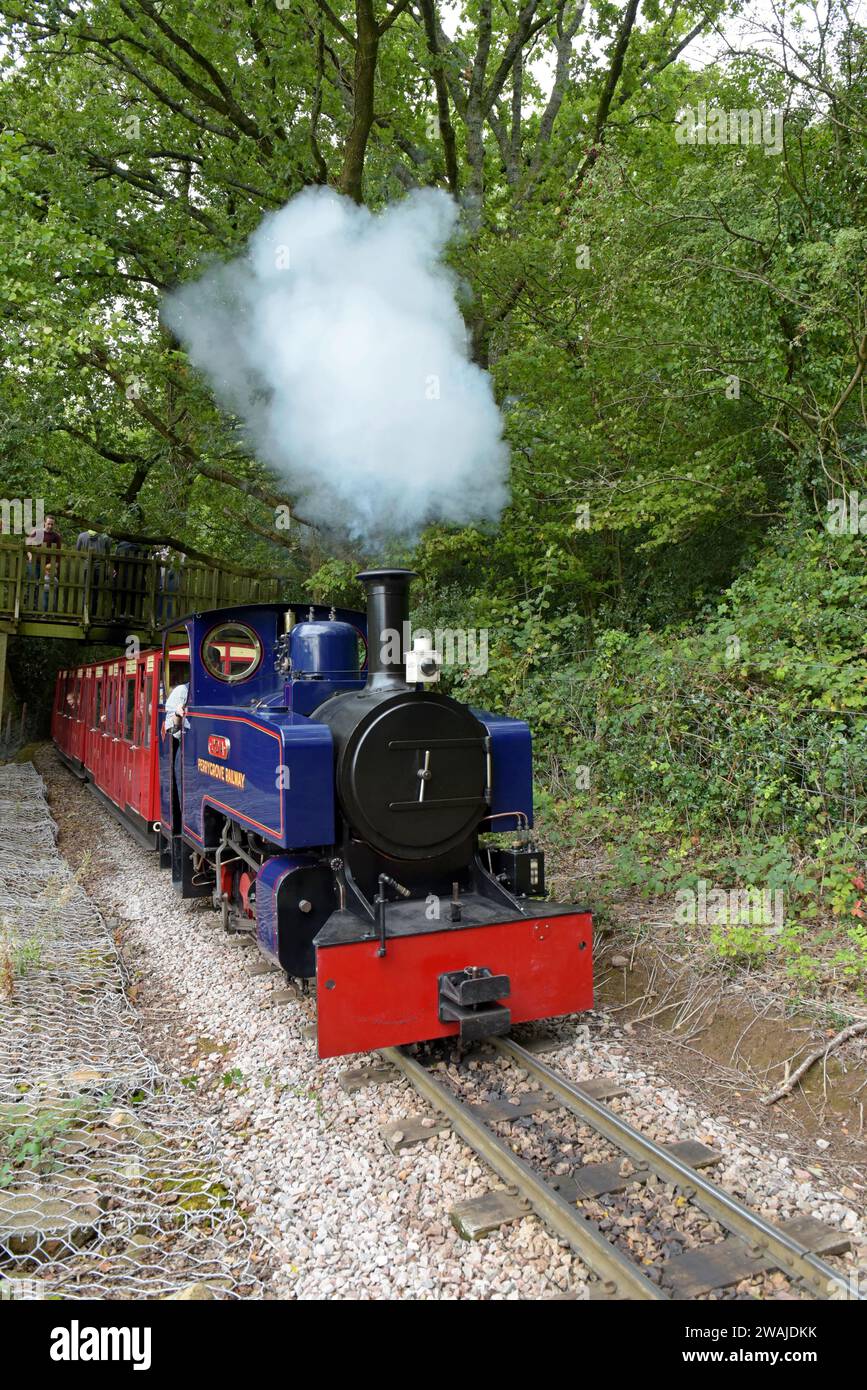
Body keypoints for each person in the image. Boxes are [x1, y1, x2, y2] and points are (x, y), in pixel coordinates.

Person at [26, 515, 62, 612]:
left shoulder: (56, 536)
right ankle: (30, 608)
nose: (50, 526)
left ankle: (42, 609)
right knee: (32, 584)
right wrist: (30, 555)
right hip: (34, 563)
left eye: (52, 524)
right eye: (48, 523)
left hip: (47, 567)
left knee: (45, 588)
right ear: (44, 523)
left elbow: (58, 553)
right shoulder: (36, 533)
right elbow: (27, 546)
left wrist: (56, 565)